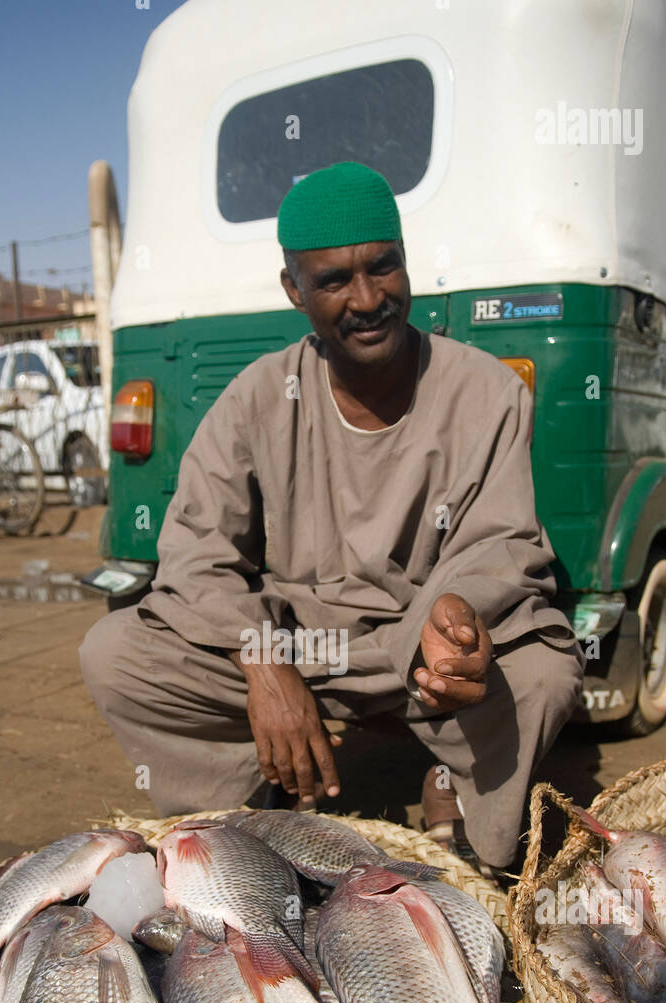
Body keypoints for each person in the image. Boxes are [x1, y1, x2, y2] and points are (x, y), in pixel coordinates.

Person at [81, 162, 584, 873]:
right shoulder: (258, 397)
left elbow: (502, 538)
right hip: (299, 648)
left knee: (542, 674)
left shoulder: (488, 392)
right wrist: (261, 660)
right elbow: (195, 550)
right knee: (116, 654)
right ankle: (255, 801)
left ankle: (462, 799)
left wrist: (457, 618)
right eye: (335, 281)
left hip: (419, 647)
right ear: (295, 291)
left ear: (406, 262)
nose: (369, 298)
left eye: (384, 268)